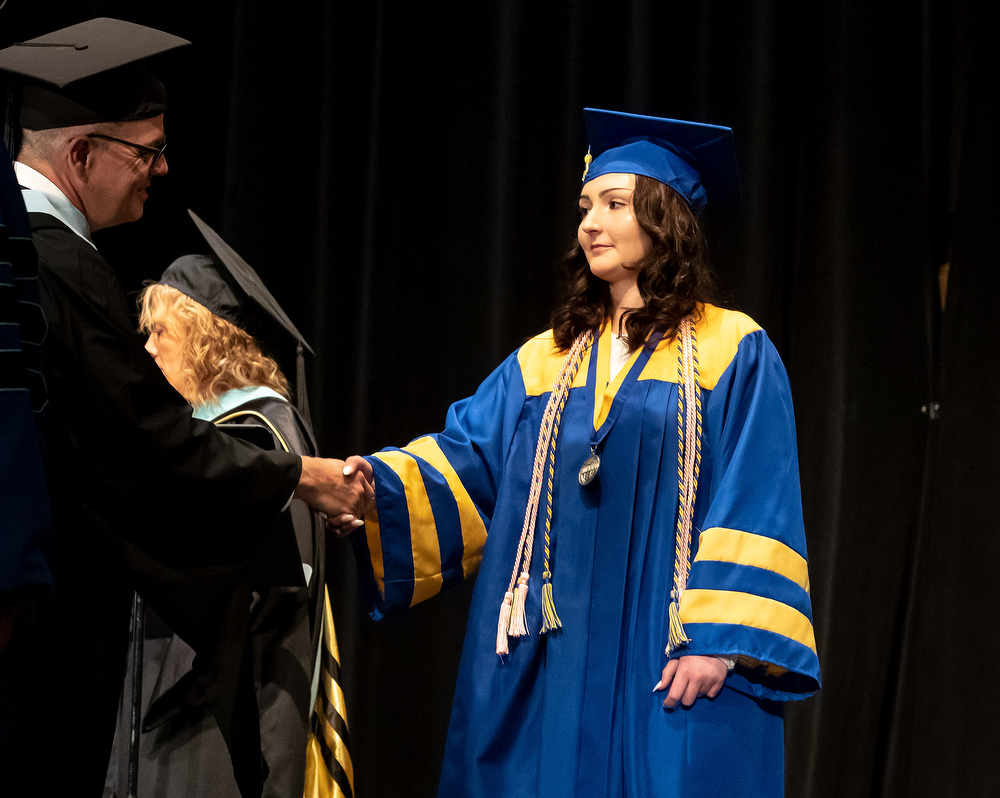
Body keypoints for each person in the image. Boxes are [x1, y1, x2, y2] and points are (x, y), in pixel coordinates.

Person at [342, 108, 821, 797]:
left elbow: (759, 493)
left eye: (615, 204)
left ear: (666, 218)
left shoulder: (731, 349)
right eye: (585, 206)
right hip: (553, 662)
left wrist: (719, 642)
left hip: (671, 660)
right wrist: (368, 486)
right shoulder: (549, 360)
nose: (589, 223)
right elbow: (470, 463)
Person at [0, 19, 368, 798]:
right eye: (147, 151)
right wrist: (302, 476)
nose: (161, 170)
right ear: (80, 154)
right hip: (44, 624)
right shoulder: (55, 262)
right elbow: (146, 442)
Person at [103, 211, 353, 798]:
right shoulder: (207, 439)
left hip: (221, 710)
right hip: (173, 698)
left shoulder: (263, 435)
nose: (146, 348)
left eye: (160, 332)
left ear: (208, 340)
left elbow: (268, 594)